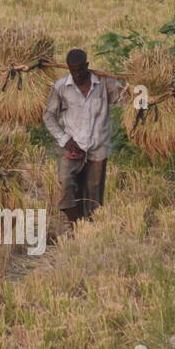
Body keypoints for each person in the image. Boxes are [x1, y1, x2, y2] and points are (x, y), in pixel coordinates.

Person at [42, 48, 126, 225]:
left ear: (87, 65)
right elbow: (48, 116)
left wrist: (138, 88)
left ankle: (87, 229)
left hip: (98, 149)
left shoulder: (103, 83)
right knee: (65, 189)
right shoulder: (61, 87)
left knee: (93, 197)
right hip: (73, 148)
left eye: (81, 69)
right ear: (68, 69)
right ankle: (76, 223)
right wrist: (64, 139)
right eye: (73, 70)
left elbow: (125, 100)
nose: (78, 74)